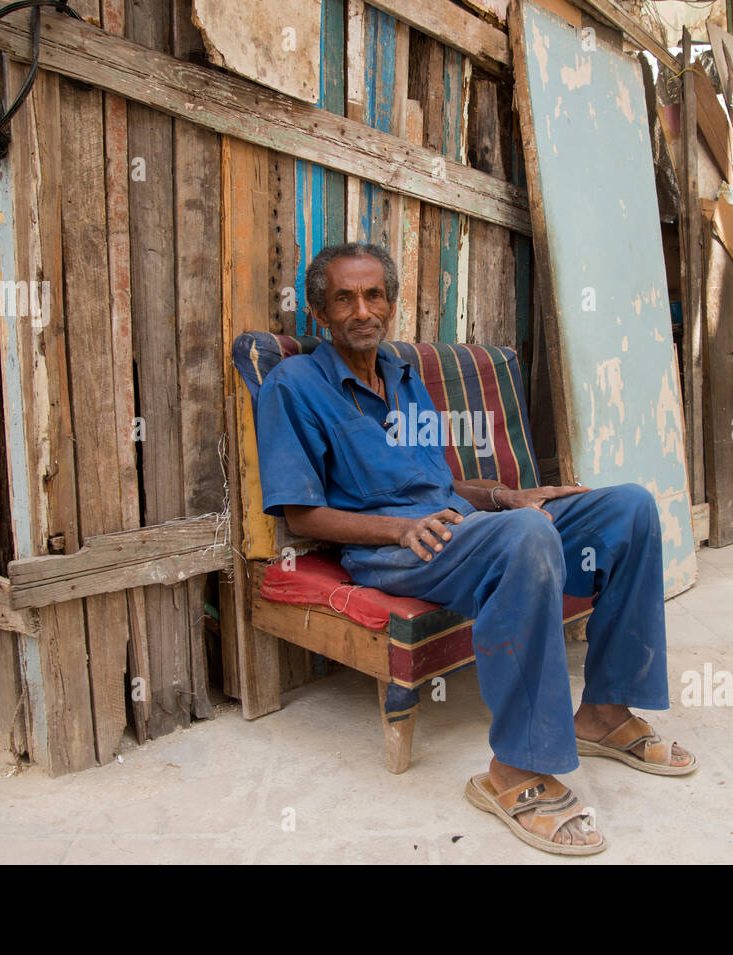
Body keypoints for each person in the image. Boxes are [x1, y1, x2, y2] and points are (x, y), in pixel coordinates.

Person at [254, 241, 695, 855]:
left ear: (391, 301)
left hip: (461, 526)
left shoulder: (403, 377)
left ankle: (604, 714)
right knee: (528, 536)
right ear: (319, 312)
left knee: (628, 509)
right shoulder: (292, 385)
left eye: (374, 294)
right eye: (344, 298)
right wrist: (398, 529)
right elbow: (301, 511)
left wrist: (506, 496)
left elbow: (439, 484)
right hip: (391, 552)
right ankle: (512, 771)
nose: (362, 310)